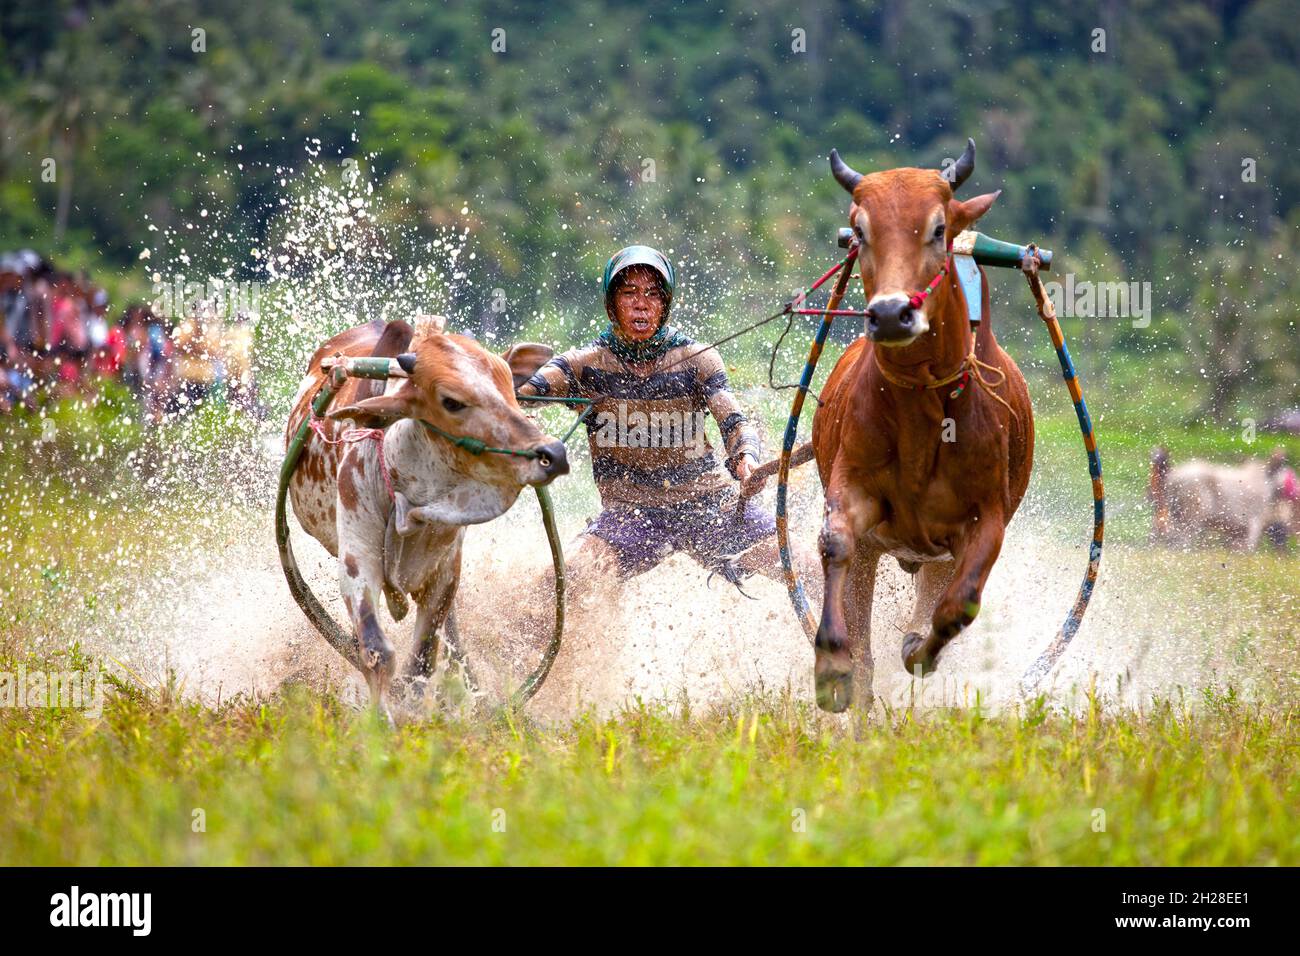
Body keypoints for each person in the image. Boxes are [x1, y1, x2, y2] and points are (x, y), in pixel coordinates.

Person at [515, 245, 819, 636]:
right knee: (560, 582)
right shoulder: (582, 364)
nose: (641, 305)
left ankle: (852, 652)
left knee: (810, 567)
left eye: (652, 294)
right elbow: (520, 394)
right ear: (612, 305)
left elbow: (734, 420)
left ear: (666, 303)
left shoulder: (697, 358)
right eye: (629, 294)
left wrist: (745, 459)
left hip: (708, 506)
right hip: (631, 515)